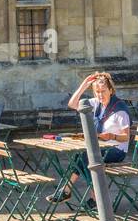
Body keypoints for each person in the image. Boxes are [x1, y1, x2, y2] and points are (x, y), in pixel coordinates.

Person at [56, 71, 132, 202]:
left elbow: (126, 137)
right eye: (97, 92)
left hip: (117, 150)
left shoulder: (120, 109)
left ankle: (72, 191)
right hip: (100, 147)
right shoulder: (97, 103)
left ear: (110, 90)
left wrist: (112, 136)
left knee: (87, 156)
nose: (100, 95)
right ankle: (90, 198)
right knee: (83, 156)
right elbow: (72, 104)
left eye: (103, 91)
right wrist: (84, 85)